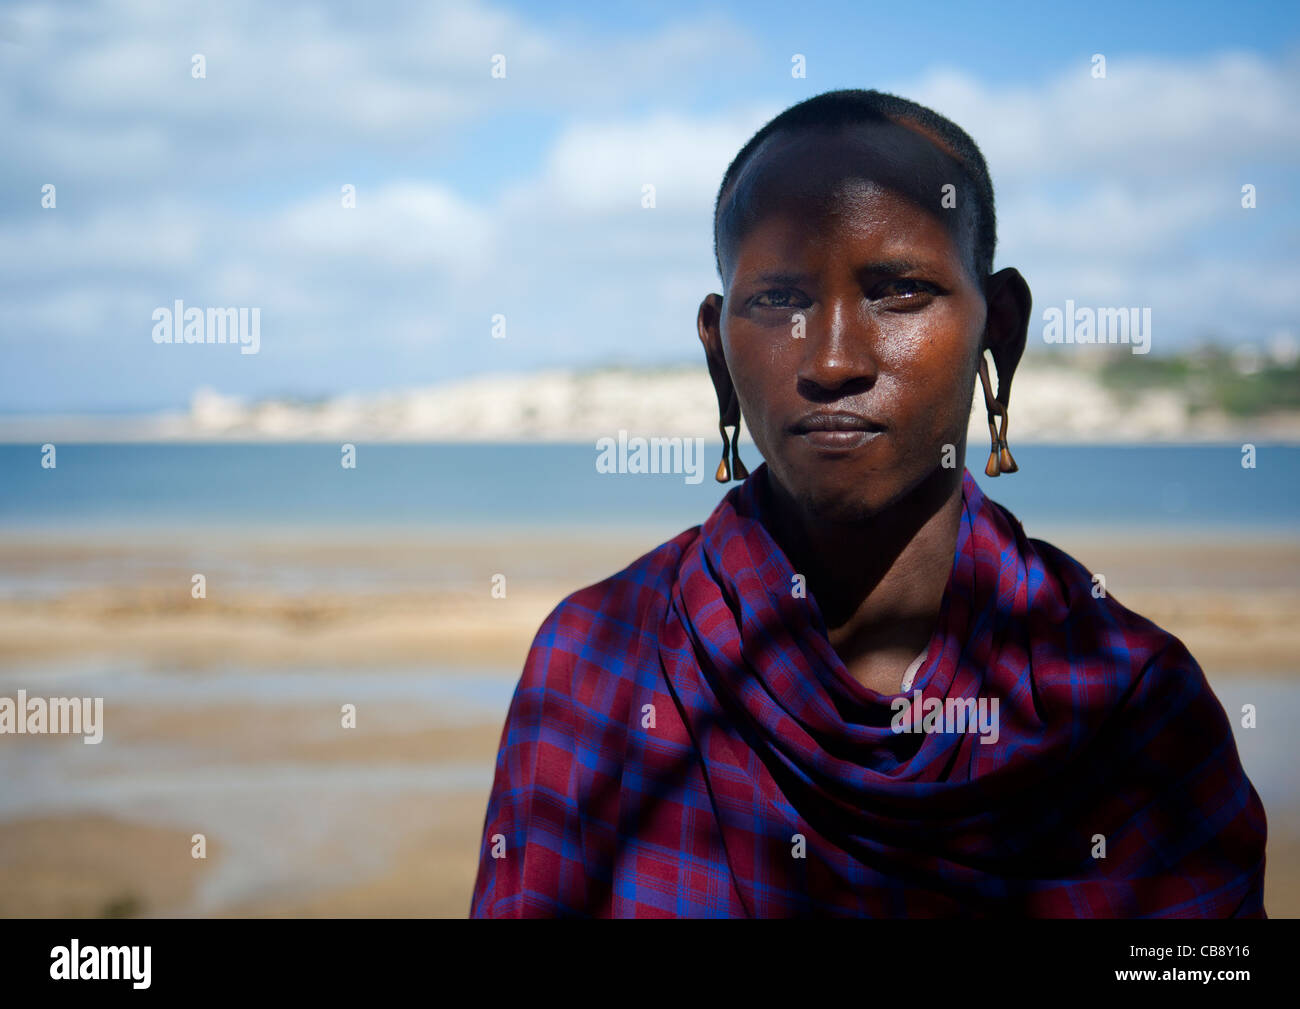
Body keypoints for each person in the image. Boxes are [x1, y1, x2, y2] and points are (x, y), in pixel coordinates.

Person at [469, 88, 1267, 917]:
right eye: (779, 300)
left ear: (1000, 331)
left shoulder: (1128, 705)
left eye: (899, 291)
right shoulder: (596, 666)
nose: (835, 359)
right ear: (717, 349)